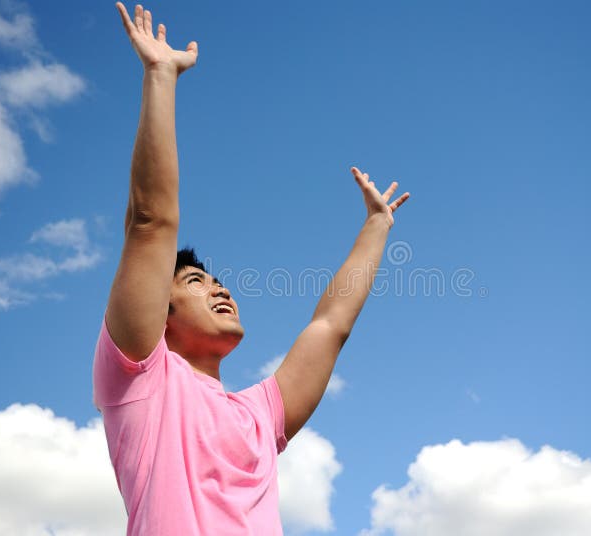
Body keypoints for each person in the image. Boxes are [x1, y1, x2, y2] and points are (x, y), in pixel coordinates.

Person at [93, 3, 410, 535]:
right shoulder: (139, 378)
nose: (220, 290)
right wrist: (160, 76)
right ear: (160, 315)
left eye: (218, 282)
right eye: (196, 281)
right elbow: (151, 221)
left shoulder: (259, 416)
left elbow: (330, 326)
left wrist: (378, 225)